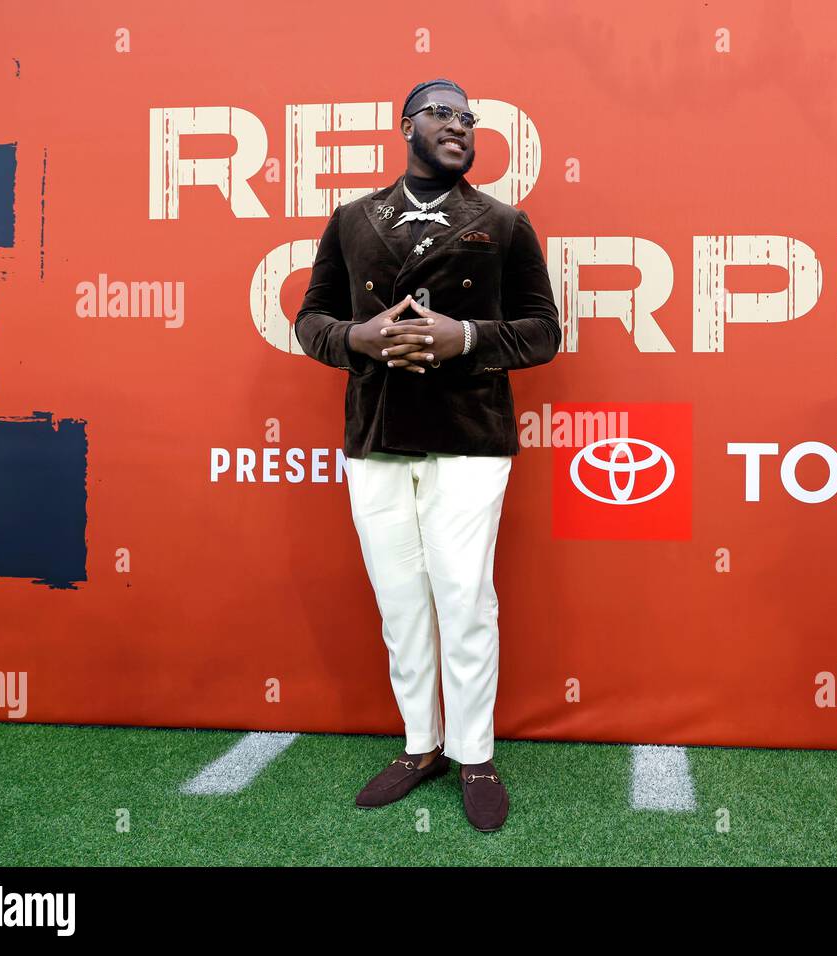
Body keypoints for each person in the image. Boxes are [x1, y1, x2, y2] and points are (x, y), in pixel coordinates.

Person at [293, 78, 561, 831]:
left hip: (469, 436)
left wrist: (465, 338)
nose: (460, 125)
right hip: (376, 432)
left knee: (464, 598)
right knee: (400, 601)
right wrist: (357, 337)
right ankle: (420, 747)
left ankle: (475, 754)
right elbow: (310, 319)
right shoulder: (351, 220)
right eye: (443, 112)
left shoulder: (503, 223)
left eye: (468, 118)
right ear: (406, 125)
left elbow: (543, 332)